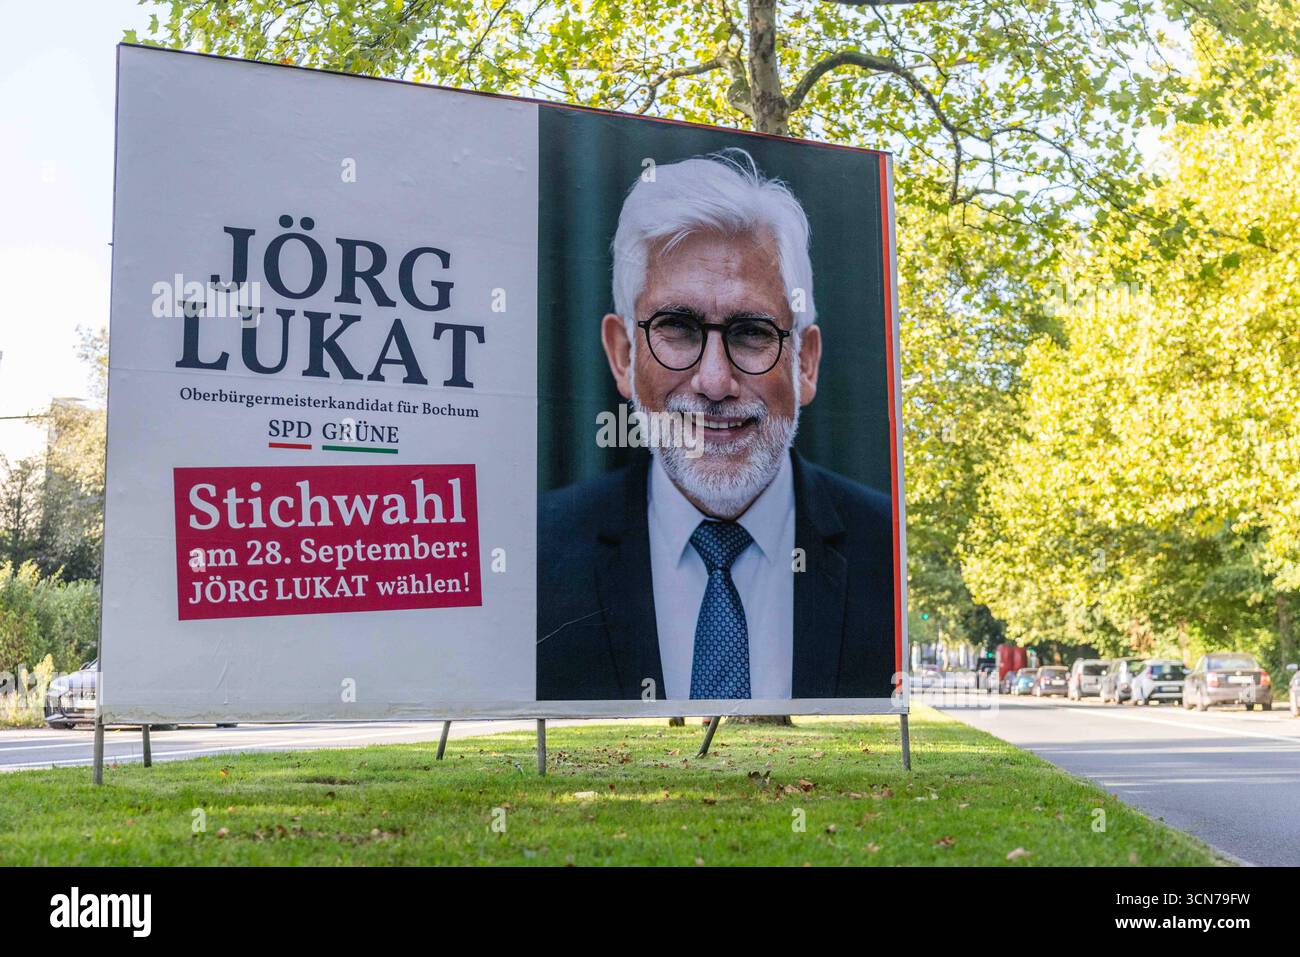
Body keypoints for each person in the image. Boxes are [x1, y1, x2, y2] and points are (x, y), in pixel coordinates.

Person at [537, 149, 894, 702]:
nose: (713, 381)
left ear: (805, 363)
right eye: (677, 328)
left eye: (752, 332)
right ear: (623, 355)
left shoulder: (886, 553)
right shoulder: (537, 555)